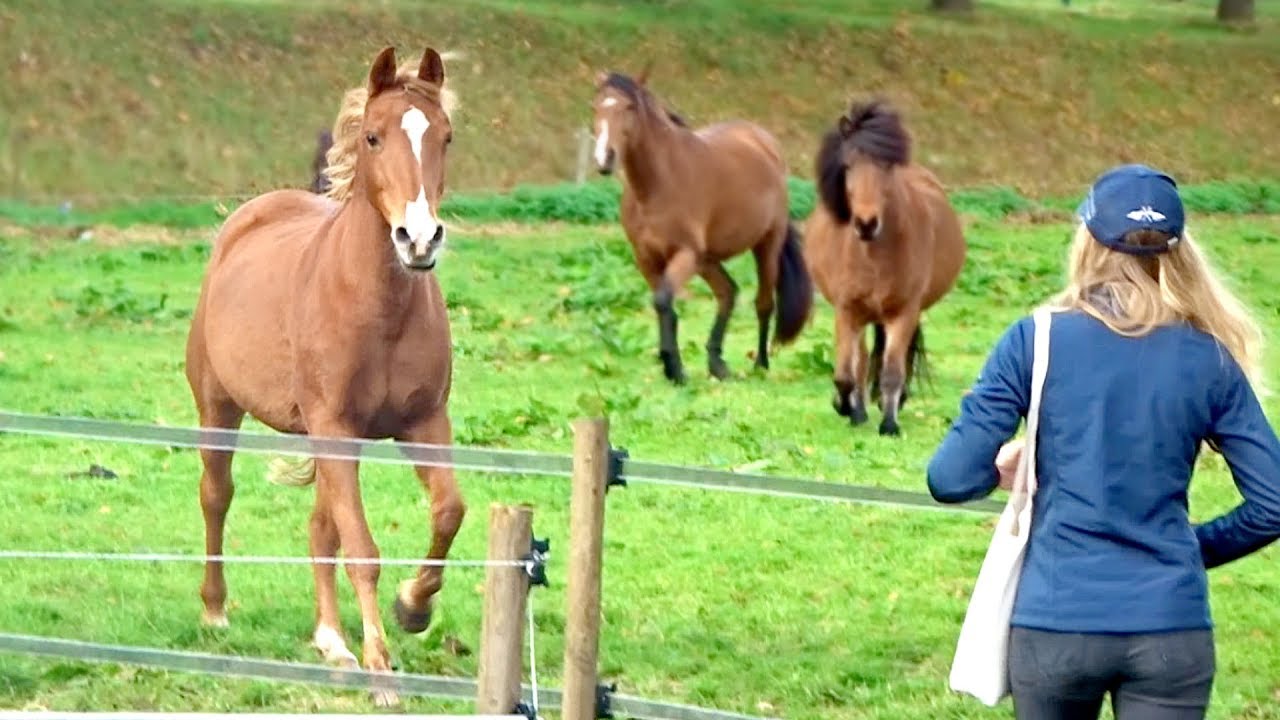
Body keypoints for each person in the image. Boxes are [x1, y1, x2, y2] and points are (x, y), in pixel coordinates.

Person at [926, 163, 1280, 719]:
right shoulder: (1210, 357)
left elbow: (949, 479)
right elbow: (1274, 503)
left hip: (1056, 624)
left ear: (1087, 240)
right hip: (1170, 625)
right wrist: (1191, 550)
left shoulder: (1034, 339)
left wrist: (998, 470)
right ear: (1177, 251)